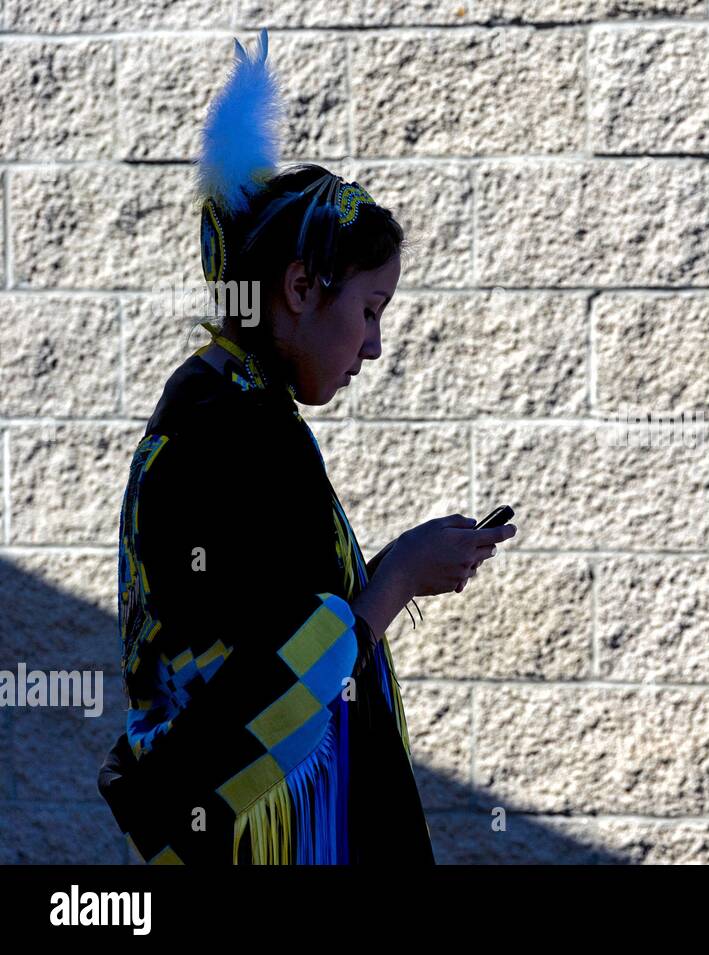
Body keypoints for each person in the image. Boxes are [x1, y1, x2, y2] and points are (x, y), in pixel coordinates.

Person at [95, 29, 516, 864]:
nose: (375, 346)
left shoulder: (227, 410)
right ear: (298, 287)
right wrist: (398, 576)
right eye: (370, 309)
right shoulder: (232, 434)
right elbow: (261, 689)